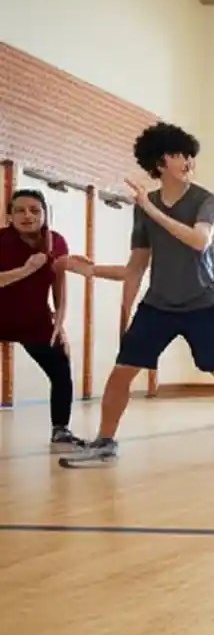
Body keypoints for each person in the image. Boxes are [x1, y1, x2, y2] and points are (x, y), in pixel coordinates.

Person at [60, 122, 214, 466]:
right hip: (159, 304)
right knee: (121, 371)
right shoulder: (145, 206)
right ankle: (105, 442)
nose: (188, 162)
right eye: (179, 155)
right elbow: (136, 267)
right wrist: (93, 272)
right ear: (159, 161)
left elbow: (200, 240)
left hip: (205, 302)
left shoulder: (204, 200)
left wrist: (152, 211)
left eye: (190, 156)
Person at [0, 189, 84, 450]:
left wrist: (59, 326)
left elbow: (60, 289)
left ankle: (60, 430)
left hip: (33, 320)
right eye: (20, 210)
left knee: (61, 369)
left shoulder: (56, 242)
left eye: (35, 210)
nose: (28, 215)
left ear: (45, 215)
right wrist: (26, 270)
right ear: (9, 216)